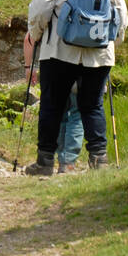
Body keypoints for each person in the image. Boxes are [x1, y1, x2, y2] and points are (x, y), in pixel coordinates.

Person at [23, 0, 128, 176]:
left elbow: (40, 11)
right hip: (99, 54)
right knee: (92, 106)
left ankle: (45, 162)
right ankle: (99, 160)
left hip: (59, 51)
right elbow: (121, 17)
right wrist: (111, 43)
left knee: (52, 105)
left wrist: (36, 36)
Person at [24, 34, 88, 173]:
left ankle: (58, 158)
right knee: (77, 114)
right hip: (87, 63)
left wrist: (28, 67)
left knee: (60, 114)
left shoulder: (54, 14)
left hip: (58, 62)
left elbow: (29, 38)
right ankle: (68, 162)